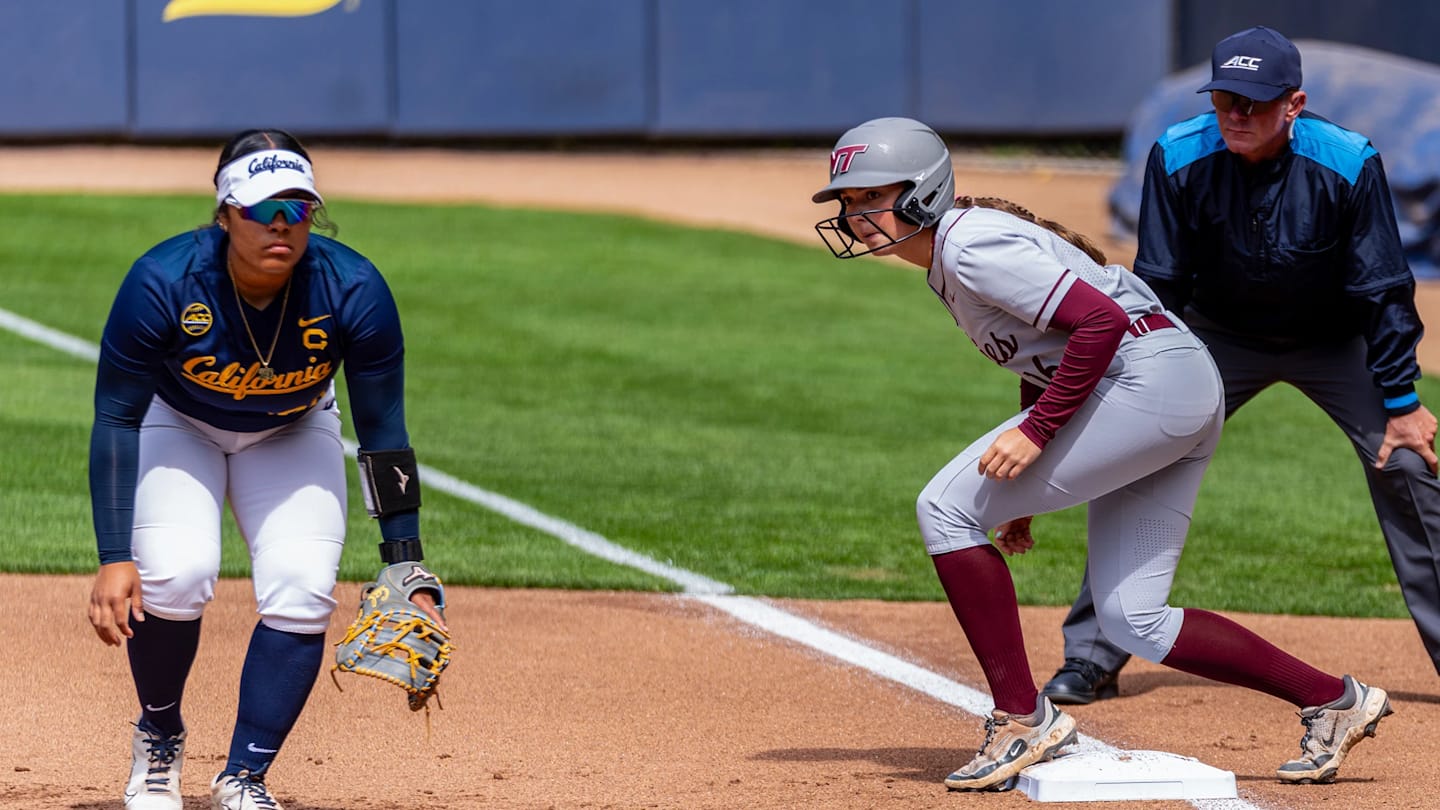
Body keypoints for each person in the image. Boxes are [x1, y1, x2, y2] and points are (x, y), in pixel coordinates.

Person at [813, 116, 1393, 790]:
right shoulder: (954, 255)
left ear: (922, 193)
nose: (856, 216)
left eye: (870, 197)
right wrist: (1032, 475)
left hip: (1148, 381)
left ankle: (1023, 718)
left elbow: (1101, 323)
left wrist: (1034, 435)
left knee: (944, 508)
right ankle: (1335, 701)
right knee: (1132, 618)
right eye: (848, 204)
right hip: (1167, 384)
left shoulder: (969, 245)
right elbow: (1050, 354)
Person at [1043, 25, 1440, 708]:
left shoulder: (1348, 160)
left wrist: (1401, 401)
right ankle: (1093, 651)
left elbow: (1381, 285)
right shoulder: (1177, 155)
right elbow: (1159, 281)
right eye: (1227, 98)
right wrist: (1144, 385)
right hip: (1215, 337)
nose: (1237, 115)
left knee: (1407, 465)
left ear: (1295, 103)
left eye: (1255, 103)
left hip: (1331, 340)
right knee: (1137, 457)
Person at [86, 129, 447, 810]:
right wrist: (112, 555)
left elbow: (383, 430)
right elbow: (116, 418)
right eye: (262, 209)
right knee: (175, 574)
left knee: (303, 587)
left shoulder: (354, 289)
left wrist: (405, 560)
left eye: (298, 208)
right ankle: (159, 740)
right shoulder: (163, 282)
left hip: (293, 428)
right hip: (179, 423)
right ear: (225, 214)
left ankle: (244, 776)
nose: (282, 225)